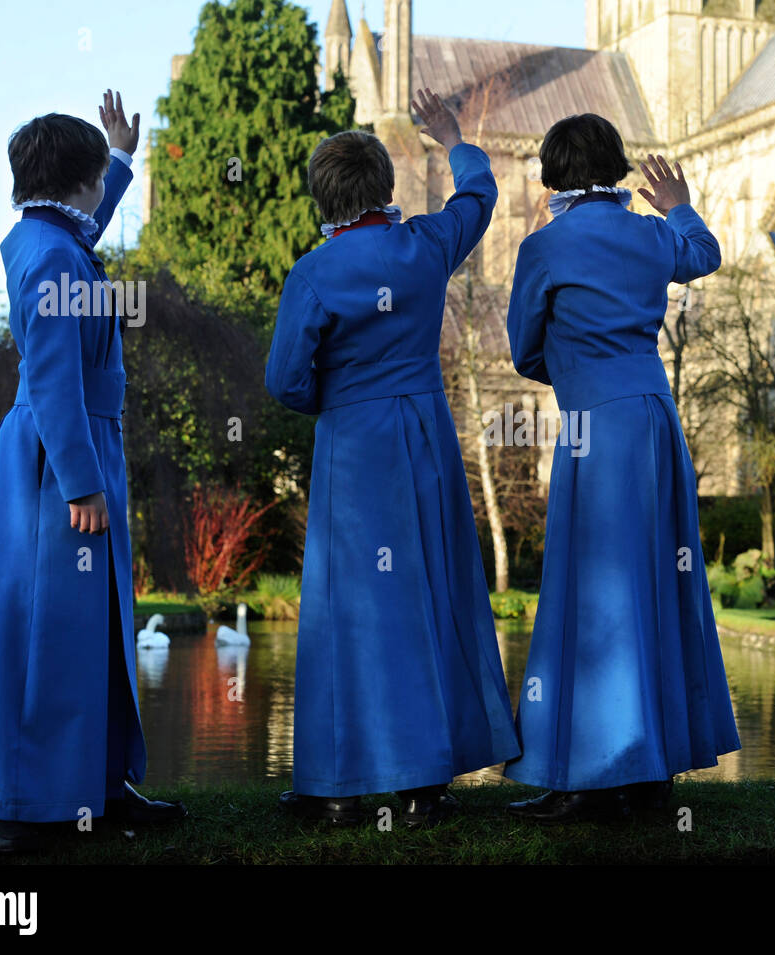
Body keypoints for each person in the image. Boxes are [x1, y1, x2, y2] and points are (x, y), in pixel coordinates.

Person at [265, 88, 519, 828]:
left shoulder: (313, 274)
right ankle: (422, 785)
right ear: (386, 187)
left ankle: (338, 786)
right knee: (428, 597)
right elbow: (480, 193)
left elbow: (285, 379)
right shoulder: (427, 246)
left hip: (354, 445)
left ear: (323, 196)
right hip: (424, 436)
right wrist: (453, 137)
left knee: (349, 610)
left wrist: (337, 400)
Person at [0, 93, 185, 853]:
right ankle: (11, 801)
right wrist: (83, 483)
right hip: (62, 459)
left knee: (93, 624)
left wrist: (119, 159)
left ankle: (97, 785)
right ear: (75, 183)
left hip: (68, 446)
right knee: (42, 624)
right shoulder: (54, 254)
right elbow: (53, 378)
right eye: (98, 180)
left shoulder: (43, 236)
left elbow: (83, 227)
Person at [503, 113, 740, 823]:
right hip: (654, 419)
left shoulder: (543, 247)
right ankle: (650, 770)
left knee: (589, 593)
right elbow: (706, 254)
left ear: (554, 174)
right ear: (613, 167)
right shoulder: (650, 233)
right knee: (657, 585)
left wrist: (575, 369)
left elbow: (523, 349)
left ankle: (584, 775)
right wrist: (679, 202)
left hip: (592, 426)